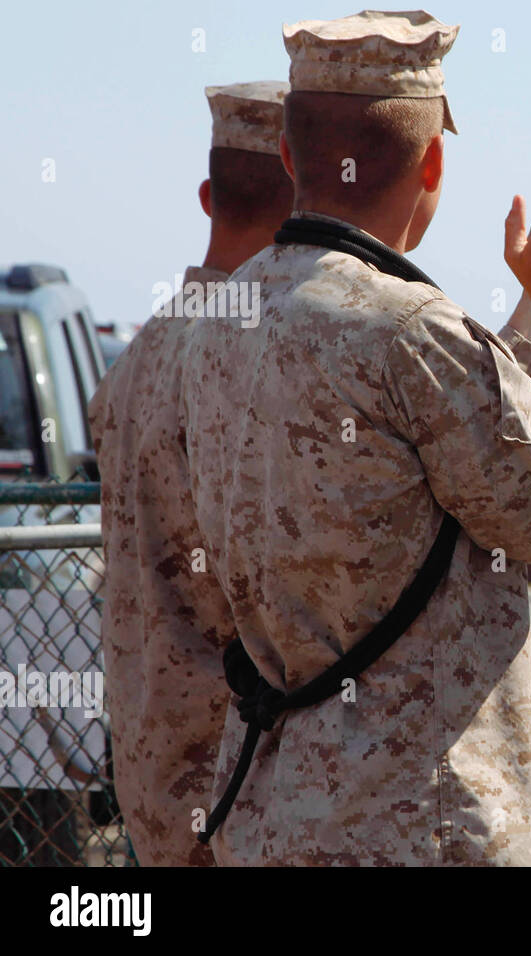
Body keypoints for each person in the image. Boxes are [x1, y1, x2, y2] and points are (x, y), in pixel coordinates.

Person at [179, 10, 531, 866]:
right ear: (432, 162)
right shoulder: (410, 329)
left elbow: (443, 454)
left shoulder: (220, 316)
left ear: (288, 156)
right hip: (418, 824)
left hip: (277, 810)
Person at [87, 81, 293, 866]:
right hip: (249, 776)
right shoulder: (265, 355)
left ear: (208, 195)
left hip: (153, 768)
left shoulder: (138, 359)